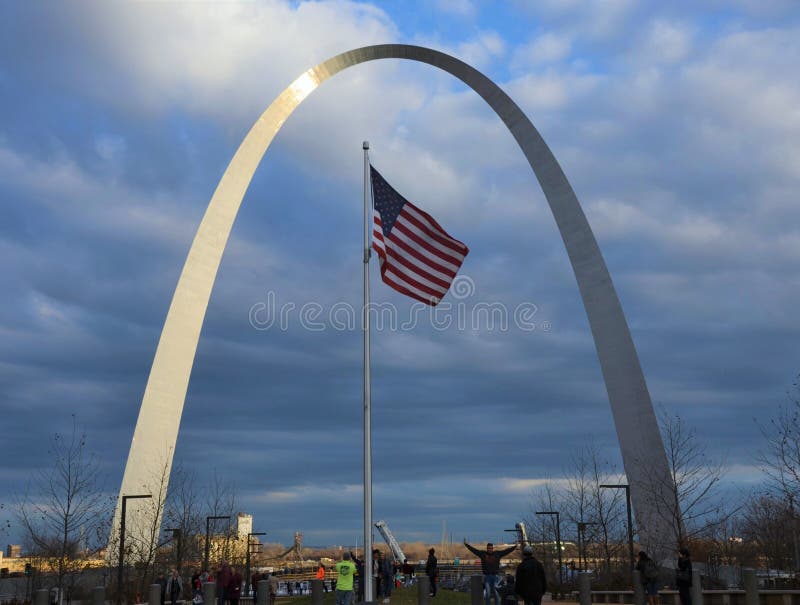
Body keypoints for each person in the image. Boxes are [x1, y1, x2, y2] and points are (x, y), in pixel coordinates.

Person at [464, 540, 517, 605]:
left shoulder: (497, 554)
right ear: (487, 548)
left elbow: (506, 551)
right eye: (489, 548)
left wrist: (514, 547)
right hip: (487, 576)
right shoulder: (483, 554)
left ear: (492, 548)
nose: (490, 549)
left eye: (491, 548)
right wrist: (467, 545)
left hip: (495, 576)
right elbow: (474, 550)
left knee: (496, 593)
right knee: (488, 594)